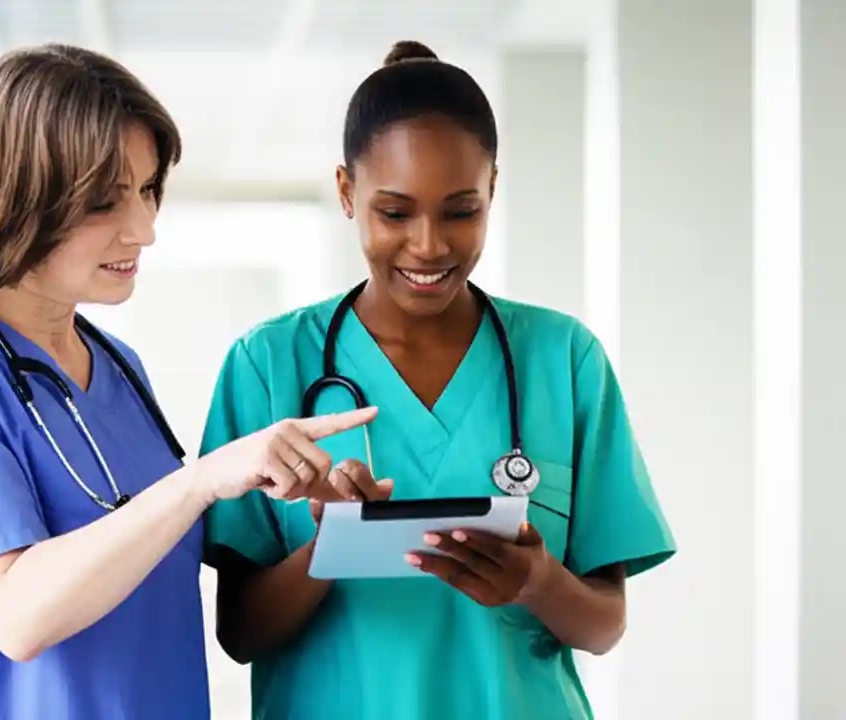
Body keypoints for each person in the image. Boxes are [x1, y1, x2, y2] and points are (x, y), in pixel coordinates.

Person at [0, 44, 376, 719]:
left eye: (148, 190)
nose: (144, 229)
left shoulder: (119, 367)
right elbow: (16, 614)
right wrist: (200, 481)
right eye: (105, 201)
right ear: (16, 197)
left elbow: (143, 578)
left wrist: (327, 530)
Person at [203, 40, 677, 719]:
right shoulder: (269, 364)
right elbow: (240, 634)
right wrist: (331, 544)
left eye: (460, 211)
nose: (429, 245)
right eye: (395, 212)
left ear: (492, 191)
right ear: (347, 192)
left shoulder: (564, 359)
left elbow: (604, 625)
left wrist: (537, 580)